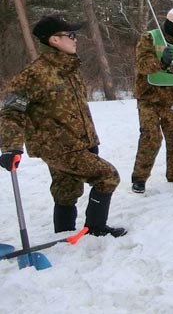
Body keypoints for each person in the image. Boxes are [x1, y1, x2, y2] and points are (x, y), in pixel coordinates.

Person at [0, 14, 126, 237]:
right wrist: (11, 147)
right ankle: (96, 229)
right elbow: (11, 112)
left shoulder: (69, 68)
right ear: (53, 40)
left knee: (66, 190)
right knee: (107, 176)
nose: (75, 39)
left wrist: (90, 141)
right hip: (57, 146)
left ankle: (63, 234)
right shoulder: (34, 74)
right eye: (70, 35)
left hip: (77, 142)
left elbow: (75, 108)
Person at [131, 6, 173, 194]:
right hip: (149, 97)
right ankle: (139, 178)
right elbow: (142, 64)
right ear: (169, 24)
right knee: (151, 137)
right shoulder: (150, 38)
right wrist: (161, 62)